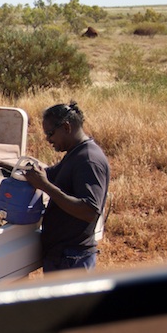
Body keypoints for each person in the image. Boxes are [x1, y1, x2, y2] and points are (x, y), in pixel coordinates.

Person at [25, 102, 110, 273]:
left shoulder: (88, 160)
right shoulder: (75, 153)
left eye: (50, 133)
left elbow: (89, 210)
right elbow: (49, 174)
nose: (48, 140)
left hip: (72, 259)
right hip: (63, 256)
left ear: (66, 127)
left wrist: (46, 187)